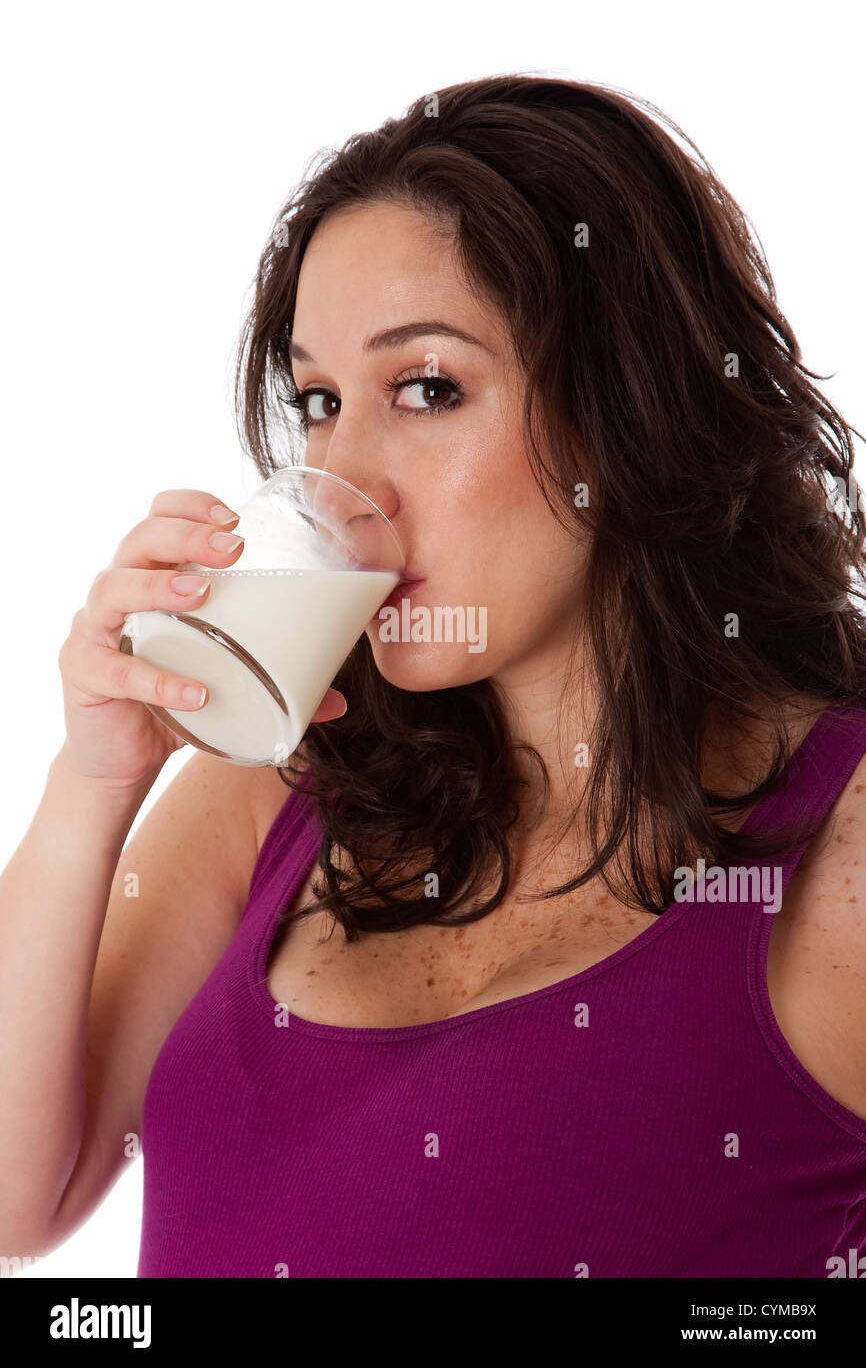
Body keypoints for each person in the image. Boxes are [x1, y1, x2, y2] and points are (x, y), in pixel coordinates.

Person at [2, 74, 865, 1280]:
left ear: (627, 408)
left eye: (425, 388)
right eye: (317, 400)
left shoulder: (840, 840)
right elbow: (16, 1203)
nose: (345, 472)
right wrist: (91, 781)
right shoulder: (279, 792)